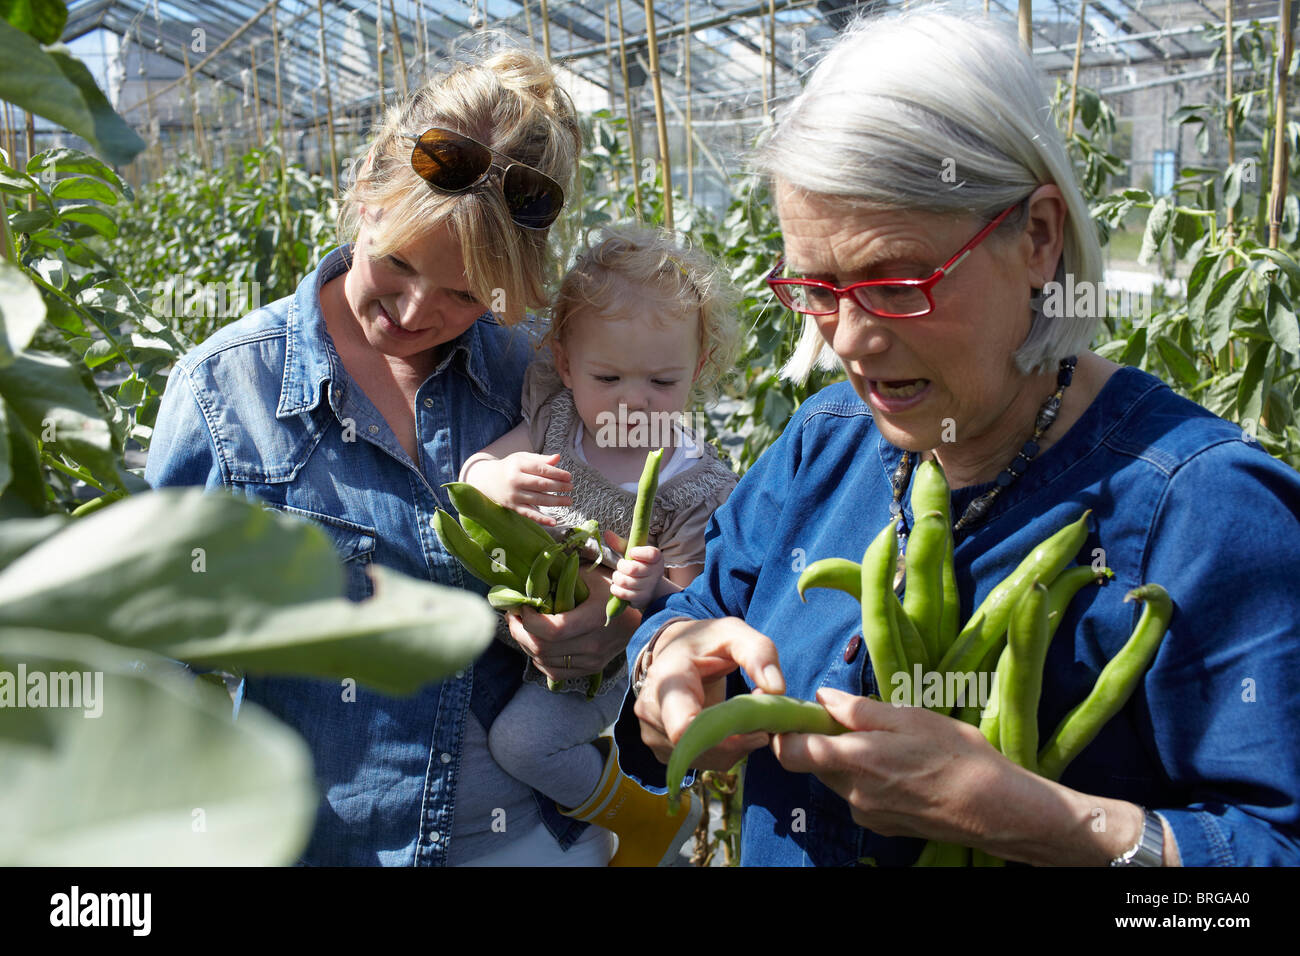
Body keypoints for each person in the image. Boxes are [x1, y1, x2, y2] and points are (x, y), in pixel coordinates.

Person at [617, 10, 1300, 866]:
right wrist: (665, 661)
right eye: (818, 288)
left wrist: (1053, 824)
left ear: (1039, 238)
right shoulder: (824, 442)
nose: (851, 341)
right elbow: (701, 606)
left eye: (899, 282)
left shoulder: (1204, 511)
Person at [145, 47, 644, 866]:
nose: (414, 312)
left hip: (527, 839)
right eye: (399, 264)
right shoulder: (229, 390)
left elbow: (627, 536)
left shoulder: (530, 375)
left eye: (464, 294)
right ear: (365, 194)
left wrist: (602, 621)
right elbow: (158, 653)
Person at [459, 226, 740, 864]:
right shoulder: (556, 420)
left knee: (523, 745)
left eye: (662, 382)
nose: (632, 400)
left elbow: (692, 605)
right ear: (564, 365)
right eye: (607, 376)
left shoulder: (692, 485)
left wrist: (653, 586)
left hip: (601, 665)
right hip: (519, 629)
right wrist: (495, 478)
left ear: (696, 371)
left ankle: (650, 815)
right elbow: (475, 471)